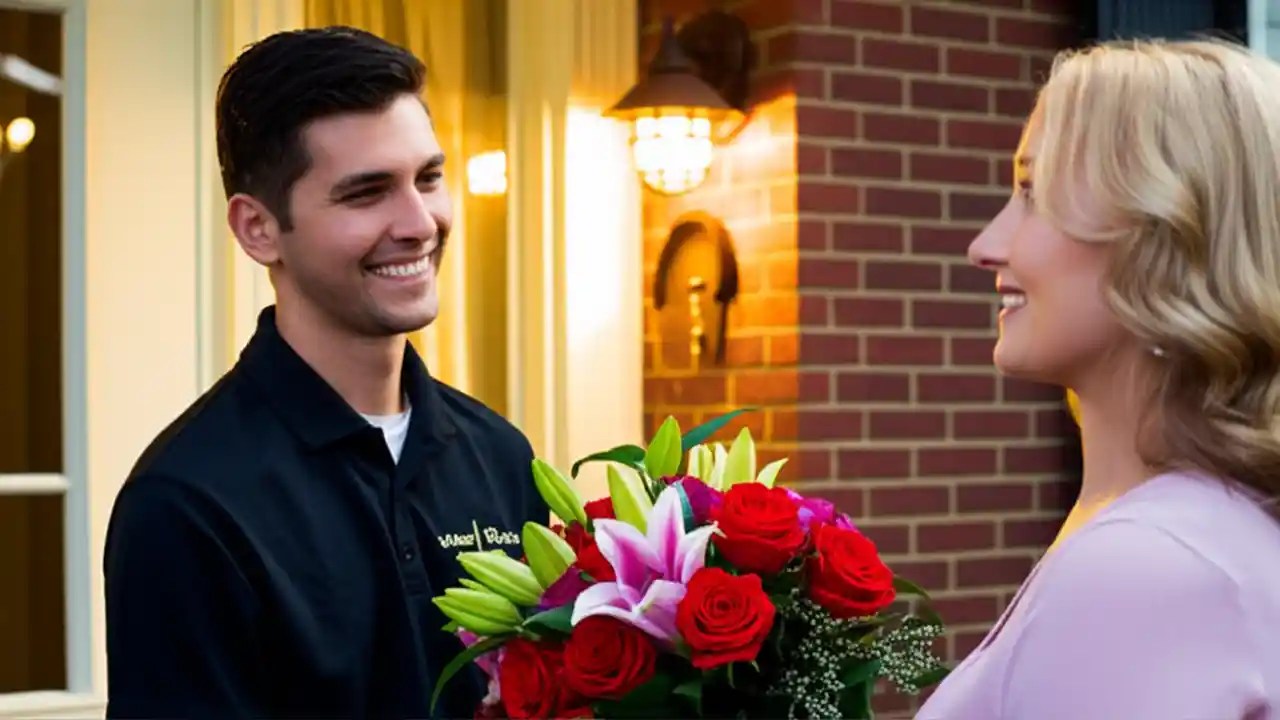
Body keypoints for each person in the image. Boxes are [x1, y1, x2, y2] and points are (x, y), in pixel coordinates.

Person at [103, 26, 548, 719]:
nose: (418, 222)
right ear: (258, 229)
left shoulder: (500, 457)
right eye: (367, 193)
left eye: (428, 178)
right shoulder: (188, 504)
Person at [917, 39, 1280, 719]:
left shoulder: (1148, 569)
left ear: (1168, 233)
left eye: (1033, 192)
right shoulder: (1195, 536)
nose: (985, 244)